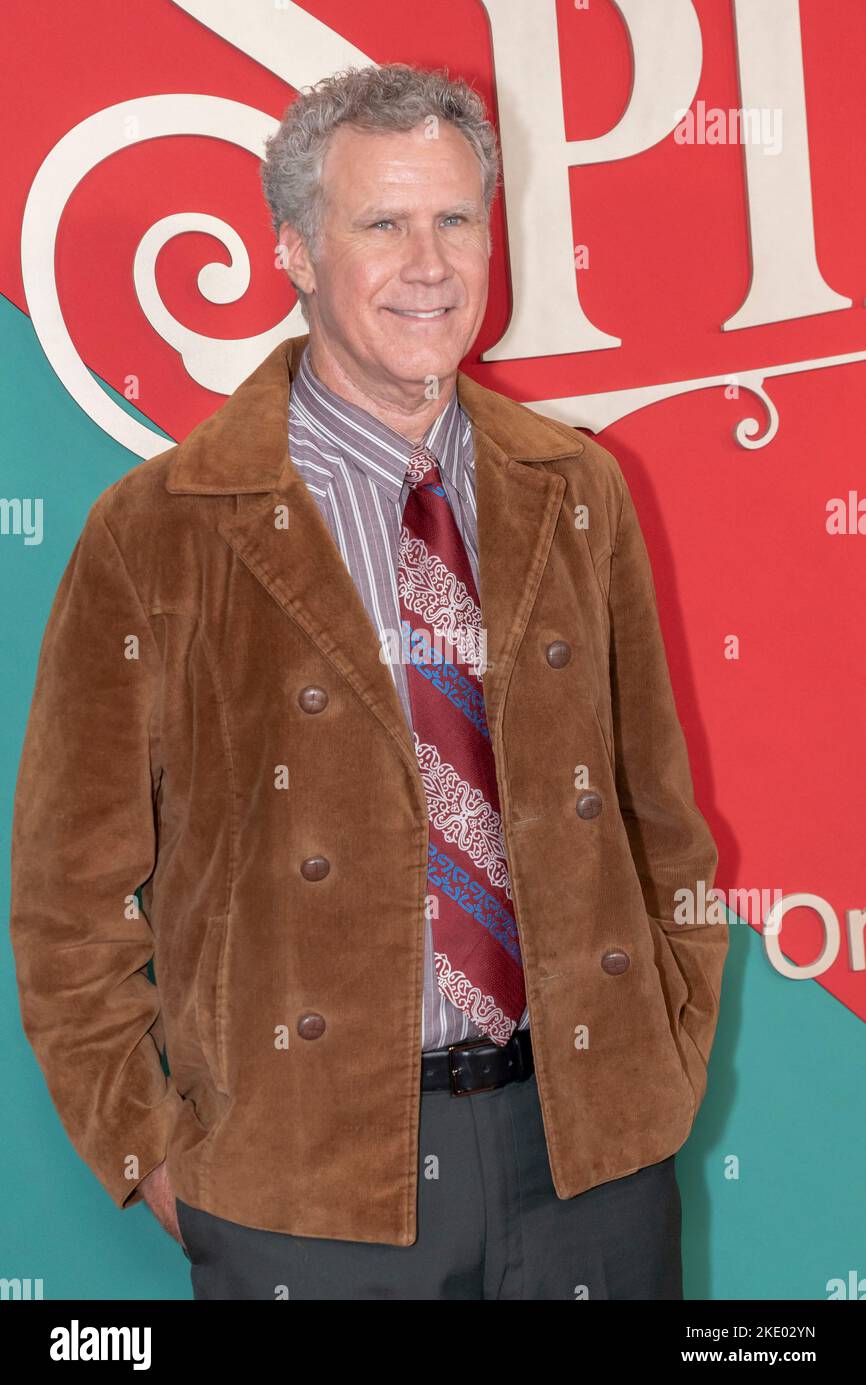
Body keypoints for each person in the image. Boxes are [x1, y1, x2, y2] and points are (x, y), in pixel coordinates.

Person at [9, 63, 727, 1300]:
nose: (429, 265)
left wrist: (658, 1057)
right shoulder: (160, 529)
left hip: (589, 1162)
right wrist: (168, 1161)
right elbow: (66, 905)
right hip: (307, 1192)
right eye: (380, 223)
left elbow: (660, 823)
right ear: (291, 246)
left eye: (455, 219)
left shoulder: (575, 489)